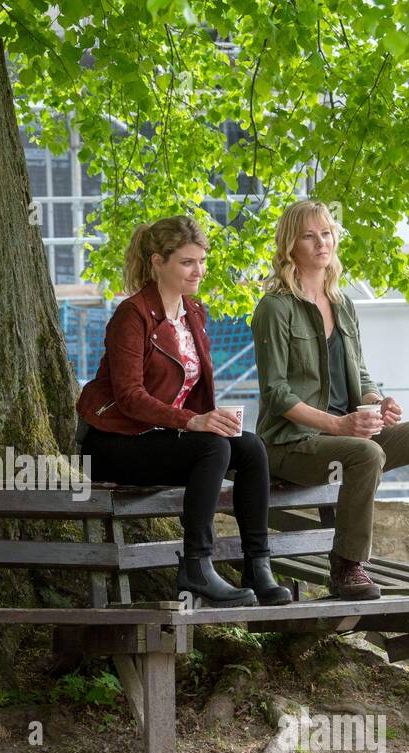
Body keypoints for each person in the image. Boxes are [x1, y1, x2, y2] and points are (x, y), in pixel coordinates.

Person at [252, 200, 409, 599]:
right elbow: (276, 394)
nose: (321, 242)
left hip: (348, 438)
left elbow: (360, 373)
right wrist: (339, 425)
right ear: (290, 245)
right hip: (289, 444)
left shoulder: (342, 304)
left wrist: (376, 402)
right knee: (367, 454)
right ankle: (347, 567)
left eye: (326, 233)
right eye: (309, 235)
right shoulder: (275, 308)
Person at [76, 216, 292, 607]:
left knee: (250, 447)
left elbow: (193, 391)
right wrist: (193, 422)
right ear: (158, 262)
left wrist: (211, 420)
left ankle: (257, 565)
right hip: (113, 442)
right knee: (214, 448)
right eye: (188, 262)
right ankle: (196, 565)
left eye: (202, 261)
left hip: (162, 437)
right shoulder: (133, 315)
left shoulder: (194, 312)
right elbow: (129, 397)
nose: (199, 271)